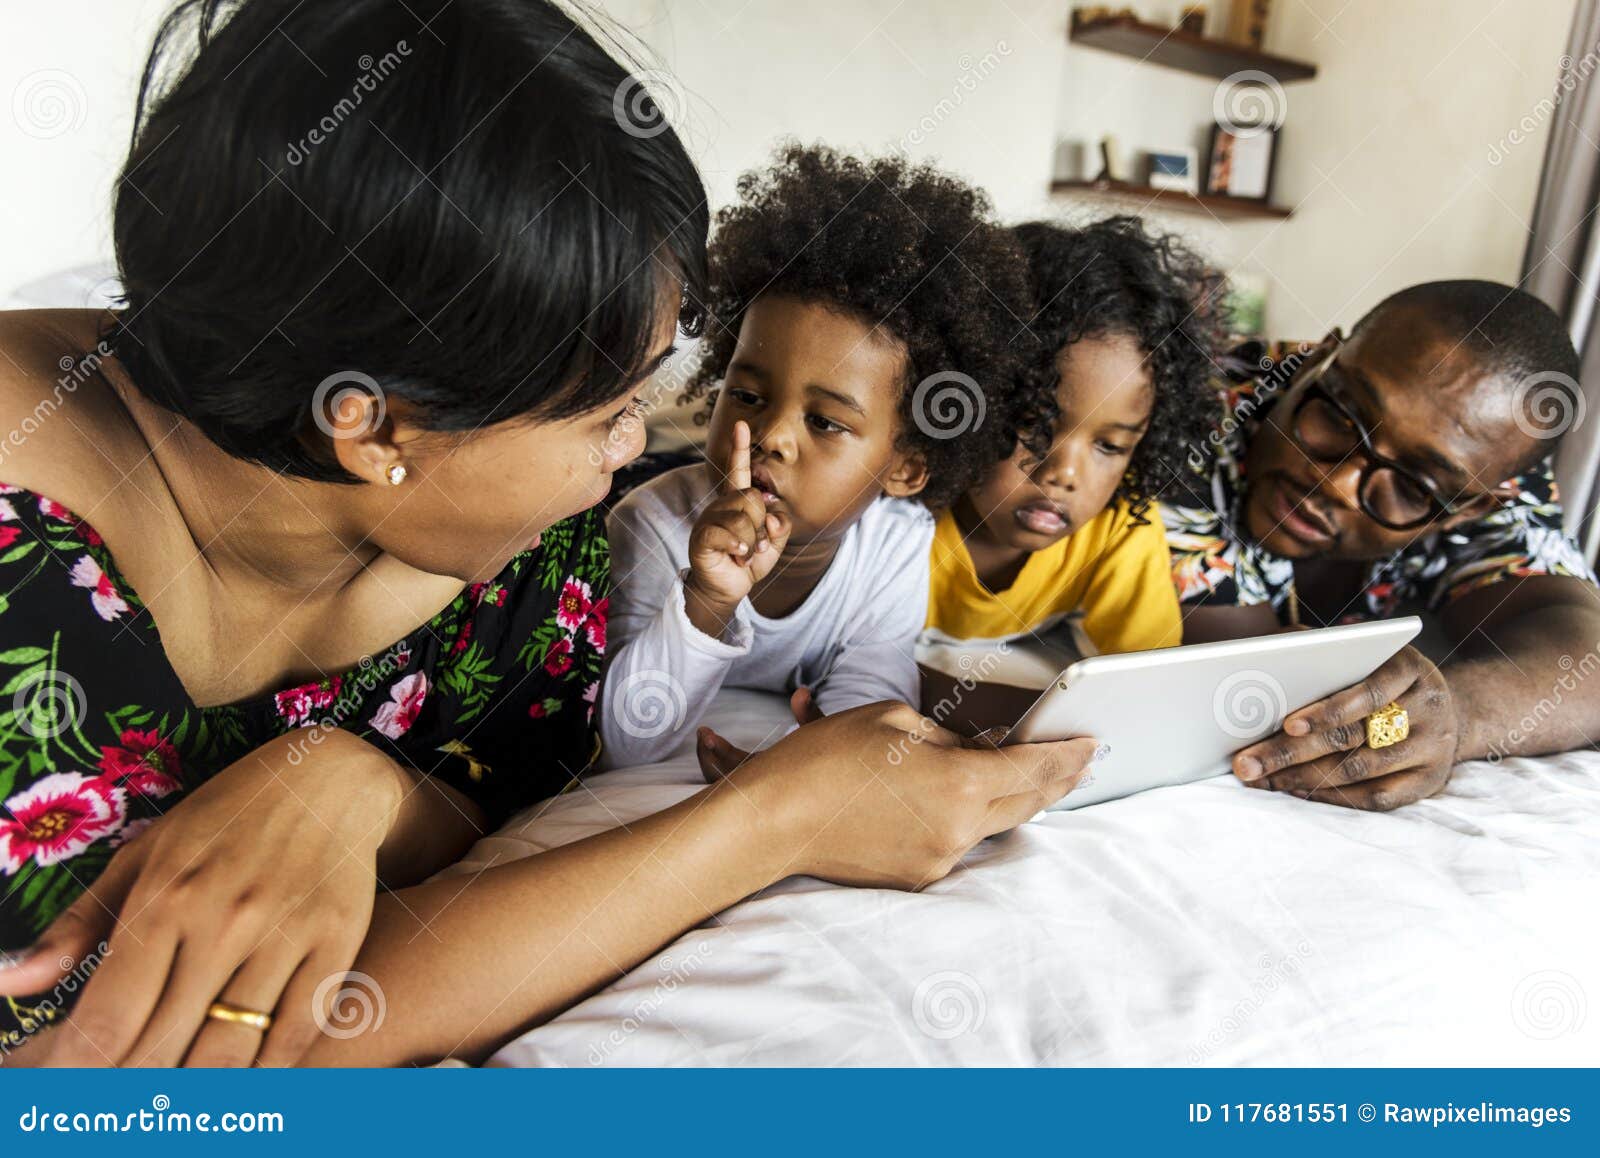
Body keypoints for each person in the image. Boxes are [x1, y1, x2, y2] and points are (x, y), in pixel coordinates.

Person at [0, 0, 1097, 1066]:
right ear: (375, 423)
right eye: (607, 411)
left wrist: (345, 785)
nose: (639, 451)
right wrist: (775, 821)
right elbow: (127, 1069)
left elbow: (500, 793)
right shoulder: (25, 572)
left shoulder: (534, 568)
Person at [602, 146, 1036, 767]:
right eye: (747, 395)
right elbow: (626, 747)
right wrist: (707, 596)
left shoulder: (896, 544)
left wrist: (804, 770)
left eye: (825, 422)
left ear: (905, 468)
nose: (772, 435)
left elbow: (870, 700)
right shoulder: (654, 525)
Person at [1164, 280, 1600, 810]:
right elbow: (1257, 693)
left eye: (1412, 485)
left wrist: (1454, 715)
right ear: (1317, 358)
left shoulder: (1480, 473)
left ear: (1472, 508)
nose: (1337, 483)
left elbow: (1586, 657)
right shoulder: (1190, 409)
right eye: (1343, 416)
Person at [926, 217, 1222, 653]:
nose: (1064, 473)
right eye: (1035, 423)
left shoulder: (1120, 528)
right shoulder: (899, 512)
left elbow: (1143, 679)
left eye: (1110, 446)